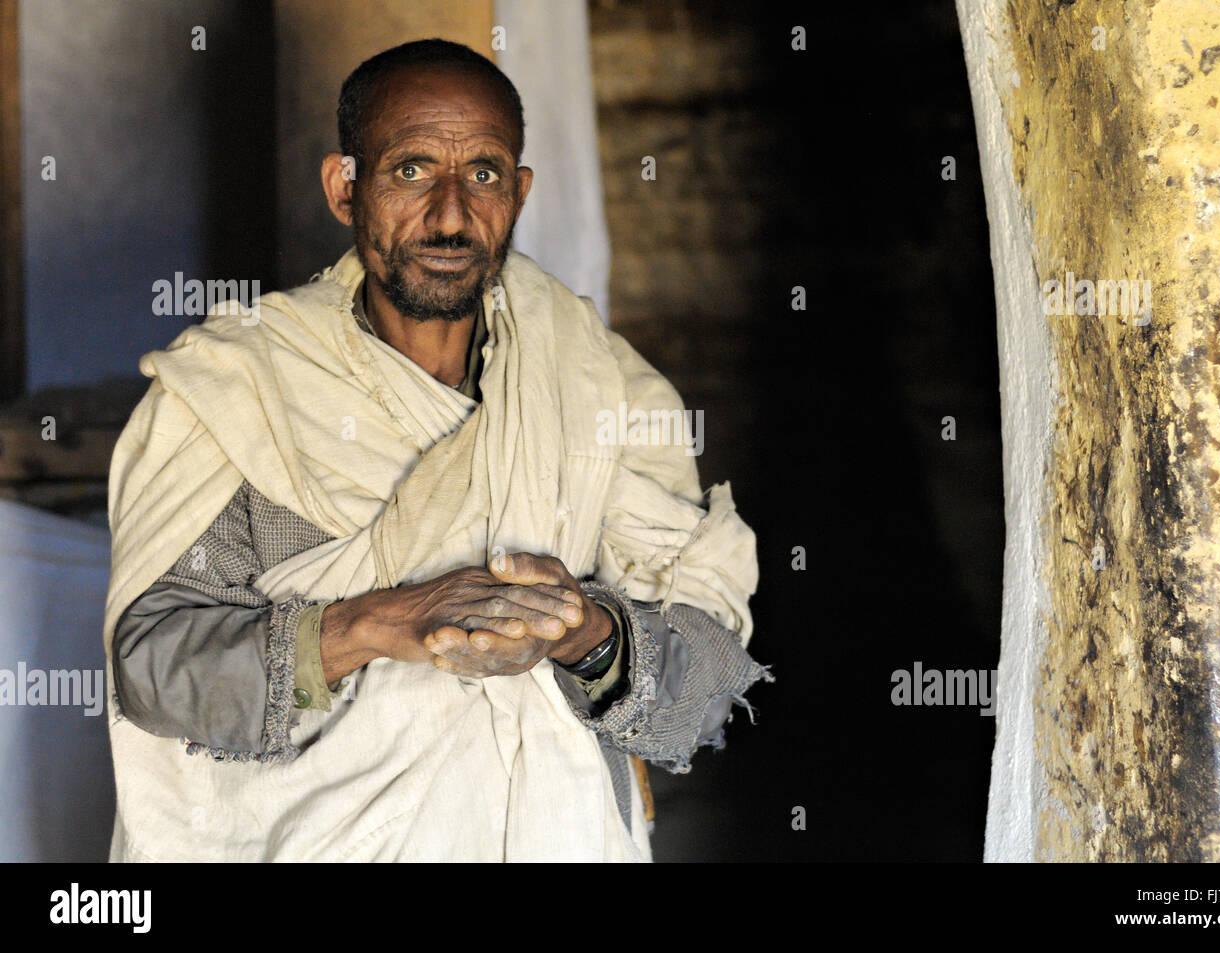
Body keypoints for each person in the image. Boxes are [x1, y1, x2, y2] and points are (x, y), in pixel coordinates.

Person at [103, 38, 764, 862]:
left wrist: (583, 631)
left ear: (519, 192)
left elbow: (699, 690)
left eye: (483, 174)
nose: (451, 214)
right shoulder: (242, 384)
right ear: (345, 187)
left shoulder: (594, 378)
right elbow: (151, 664)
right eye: (411, 171)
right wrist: (380, 623)